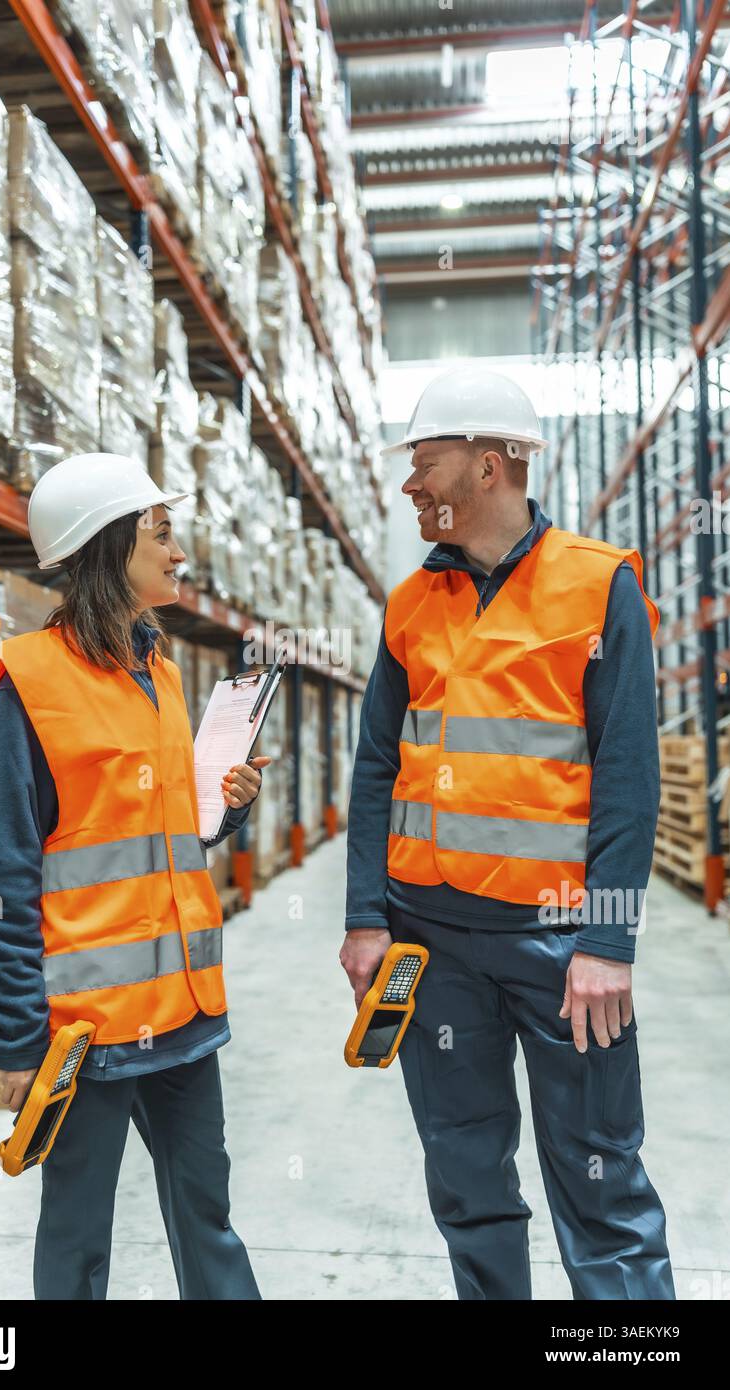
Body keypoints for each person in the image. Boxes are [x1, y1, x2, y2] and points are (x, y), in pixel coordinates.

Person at [340, 364, 675, 1301]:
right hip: (429, 942)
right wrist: (368, 916)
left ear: (490, 468)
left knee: (600, 1180)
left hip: (562, 944)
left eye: (426, 461)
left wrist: (608, 940)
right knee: (466, 1178)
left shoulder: (596, 585)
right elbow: (376, 769)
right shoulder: (411, 606)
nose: (410, 483)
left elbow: (627, 779)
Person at [0, 452, 269, 1301]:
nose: (180, 553)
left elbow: (162, 844)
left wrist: (228, 809)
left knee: (206, 1216)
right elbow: (1, 874)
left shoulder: (162, 675)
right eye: (162, 533)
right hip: (86, 1032)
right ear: (108, 547)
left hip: (181, 1013)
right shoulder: (29, 685)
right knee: (76, 1240)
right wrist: (19, 1039)